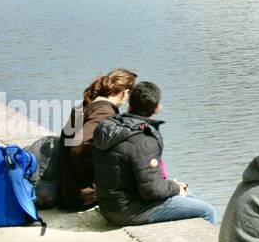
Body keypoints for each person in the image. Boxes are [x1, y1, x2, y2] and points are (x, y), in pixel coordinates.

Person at [92, 81, 216, 226]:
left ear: (129, 105)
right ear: (158, 108)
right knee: (207, 211)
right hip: (129, 211)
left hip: (109, 206)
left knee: (189, 195)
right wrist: (175, 188)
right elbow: (151, 191)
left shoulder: (109, 127)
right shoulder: (144, 139)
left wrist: (174, 186)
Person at [58, 69, 136, 210]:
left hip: (70, 192)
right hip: (86, 196)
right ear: (125, 93)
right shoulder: (104, 112)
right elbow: (79, 147)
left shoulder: (86, 105)